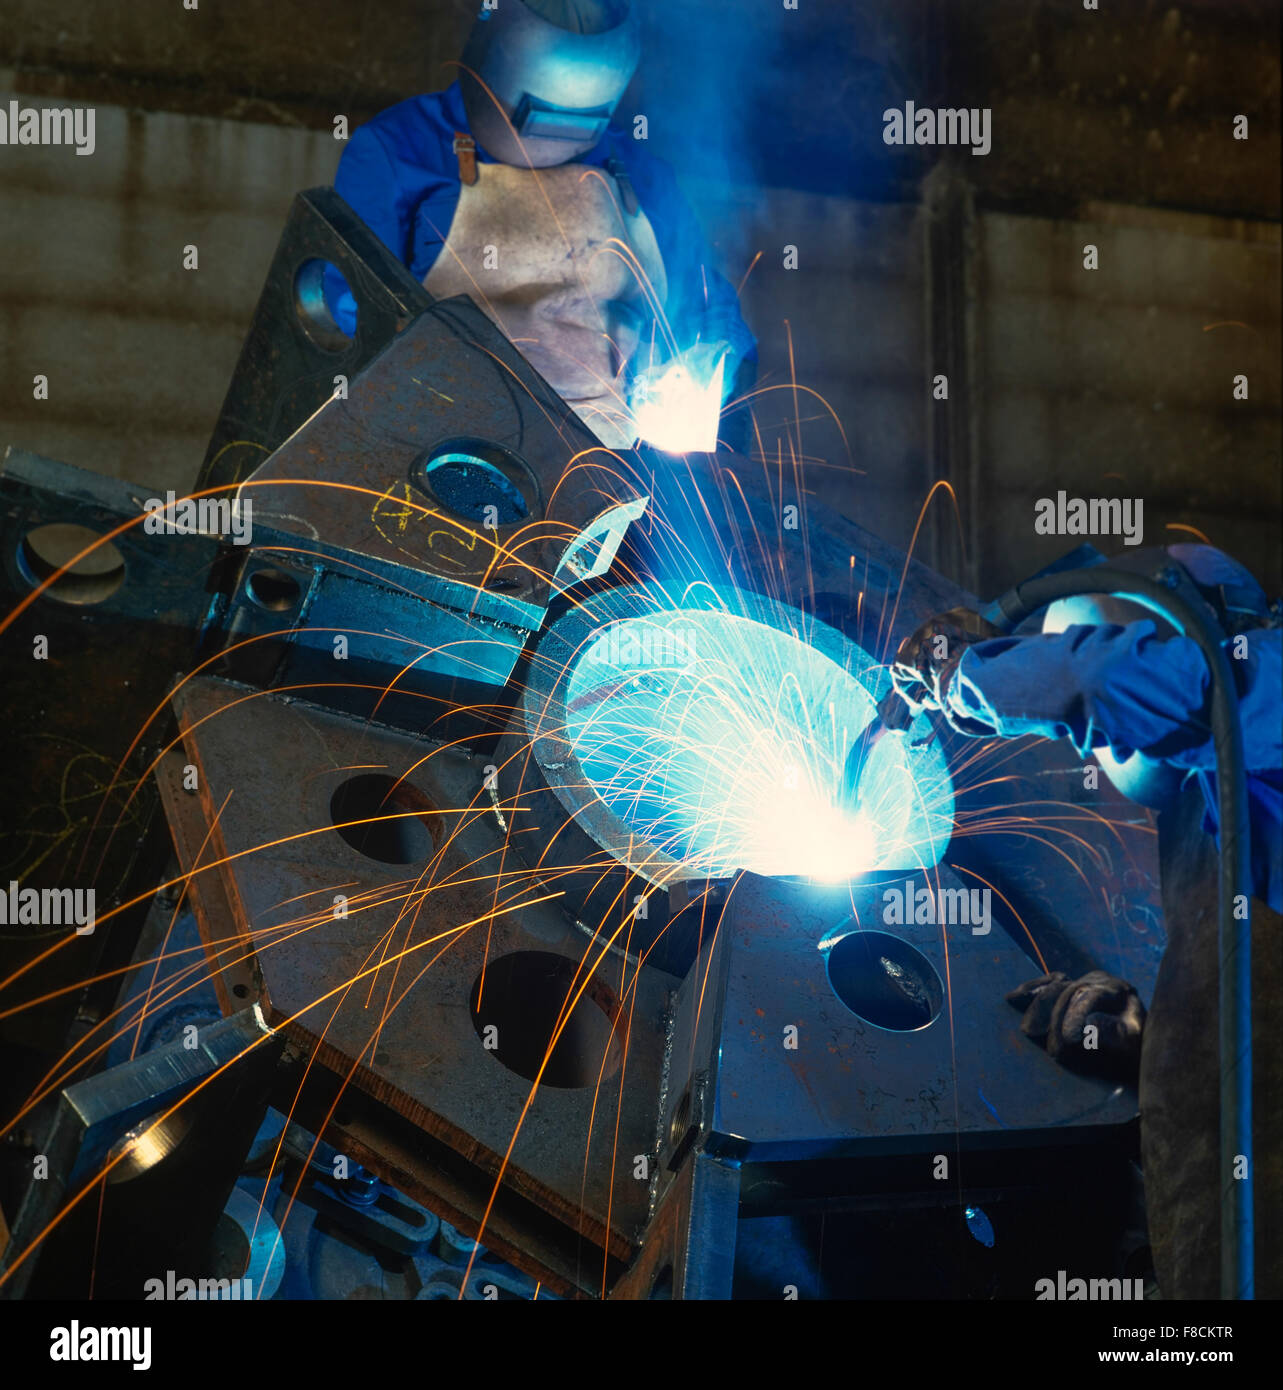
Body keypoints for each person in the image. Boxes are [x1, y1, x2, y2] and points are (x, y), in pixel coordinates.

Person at [323, 0, 756, 452]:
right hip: (445, 449)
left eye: (578, 126)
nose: (553, 145)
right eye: (540, 119)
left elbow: (706, 305)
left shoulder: (643, 177)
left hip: (604, 463)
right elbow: (353, 303)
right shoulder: (398, 150)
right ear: (496, 71)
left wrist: (708, 357)